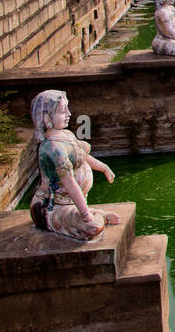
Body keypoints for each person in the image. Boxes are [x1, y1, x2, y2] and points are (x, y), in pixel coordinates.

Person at [28, 90, 121, 240]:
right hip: (50, 208)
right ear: (47, 118)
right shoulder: (52, 148)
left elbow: (84, 157)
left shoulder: (66, 135)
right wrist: (86, 216)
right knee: (93, 227)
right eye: (63, 111)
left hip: (69, 203)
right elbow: (69, 182)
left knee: (85, 220)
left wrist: (103, 167)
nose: (69, 113)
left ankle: (89, 213)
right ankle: (93, 215)